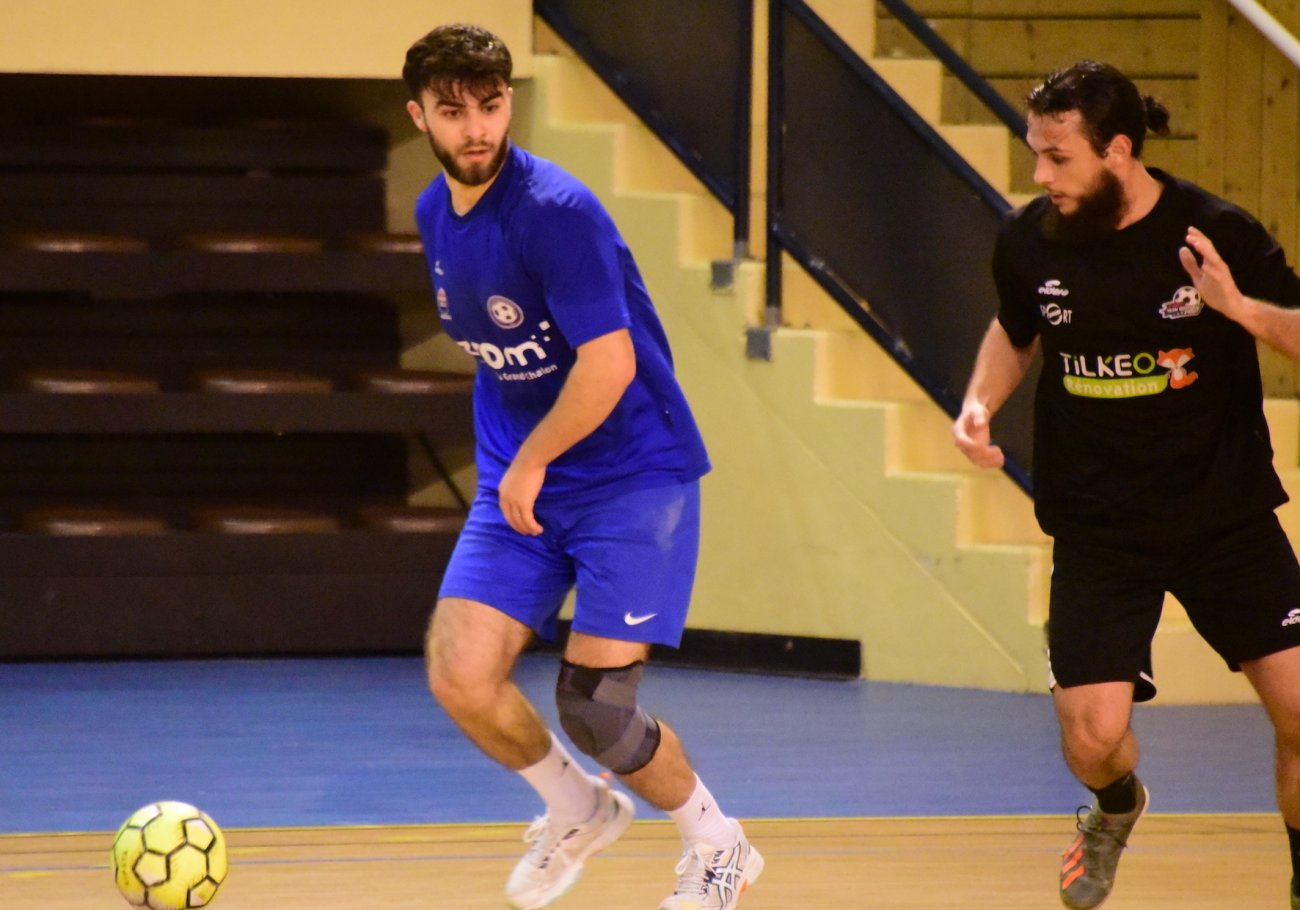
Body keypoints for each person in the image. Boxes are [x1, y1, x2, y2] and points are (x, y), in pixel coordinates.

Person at [400, 23, 762, 910]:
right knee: (459, 671)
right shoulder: (431, 214)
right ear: (420, 117)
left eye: (490, 106)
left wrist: (526, 464)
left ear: (509, 103)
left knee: (596, 708)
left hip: (631, 477)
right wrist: (514, 469)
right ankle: (577, 810)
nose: (475, 127)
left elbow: (609, 366)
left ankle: (721, 845)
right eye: (453, 112)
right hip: (523, 477)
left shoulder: (556, 213)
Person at [952, 60, 1300, 910]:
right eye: (1035, 152)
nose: (1040, 175)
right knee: (1093, 739)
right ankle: (1114, 808)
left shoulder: (1215, 231)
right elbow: (1014, 330)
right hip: (1101, 524)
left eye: (1058, 157)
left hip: (1225, 516)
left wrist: (1238, 308)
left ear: (1118, 149)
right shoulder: (1030, 239)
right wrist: (978, 404)